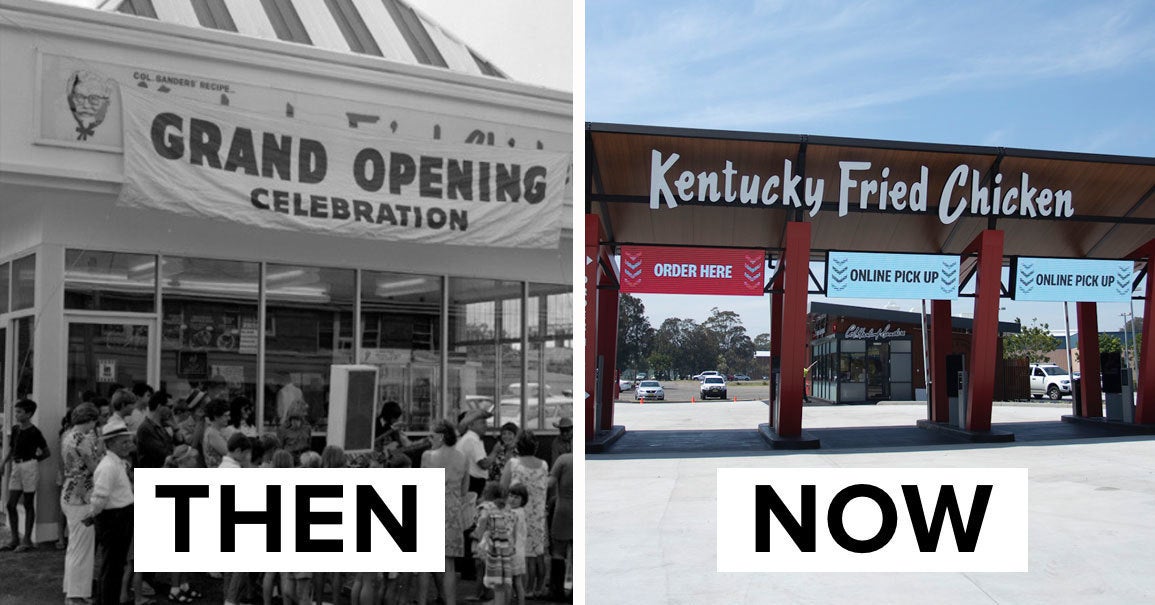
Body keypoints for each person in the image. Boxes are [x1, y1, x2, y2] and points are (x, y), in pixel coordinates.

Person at [418, 419, 469, 605]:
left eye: (431, 435)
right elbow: (465, 490)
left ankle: (422, 601)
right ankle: (451, 602)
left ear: (441, 437)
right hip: (453, 510)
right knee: (448, 563)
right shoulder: (462, 457)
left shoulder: (428, 456)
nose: (429, 439)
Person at [85, 422, 136, 605]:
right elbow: (99, 497)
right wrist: (93, 514)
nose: (128, 446)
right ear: (111, 444)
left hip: (120, 516)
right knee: (112, 566)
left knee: (114, 565)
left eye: (128, 442)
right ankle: (107, 600)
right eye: (123, 443)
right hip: (114, 519)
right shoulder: (108, 466)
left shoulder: (116, 463)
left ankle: (105, 599)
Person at [60, 402, 101, 605]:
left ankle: (74, 589)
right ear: (90, 420)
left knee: (75, 546)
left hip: (70, 493)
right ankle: (75, 596)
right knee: (82, 548)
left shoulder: (68, 435)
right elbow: (94, 467)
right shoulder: (83, 439)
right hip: (82, 497)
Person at [501, 430, 549, 598]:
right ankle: (536, 588)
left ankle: (521, 590)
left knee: (519, 552)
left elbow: (503, 487)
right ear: (535, 446)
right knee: (538, 553)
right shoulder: (543, 465)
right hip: (537, 514)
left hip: (516, 514)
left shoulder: (513, 464)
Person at [2, 398, 50, 552]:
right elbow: (11, 449)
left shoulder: (35, 432)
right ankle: (15, 539)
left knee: (28, 503)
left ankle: (27, 540)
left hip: (29, 466)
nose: (16, 414)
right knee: (10, 504)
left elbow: (46, 452)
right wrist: (3, 463)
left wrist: (34, 461)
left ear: (28, 414)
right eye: (16, 411)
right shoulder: (16, 429)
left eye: (19, 412)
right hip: (16, 466)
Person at [477, 484, 518, 605]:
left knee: (497, 582)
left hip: (494, 547)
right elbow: (514, 531)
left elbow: (483, 519)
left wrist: (479, 534)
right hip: (508, 548)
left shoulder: (487, 506)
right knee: (505, 579)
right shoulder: (510, 510)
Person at [548, 453, 574, 601]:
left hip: (563, 508)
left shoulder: (563, 459)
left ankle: (556, 591)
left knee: (558, 551)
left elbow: (550, 483)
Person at [456, 409, 493, 495]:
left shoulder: (469, 438)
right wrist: (495, 451)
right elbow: (484, 464)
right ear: (471, 425)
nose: (486, 426)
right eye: (482, 423)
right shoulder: (472, 439)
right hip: (473, 482)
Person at [135, 391, 174, 469]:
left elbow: (181, 443)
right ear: (159, 407)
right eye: (169, 407)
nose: (171, 411)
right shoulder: (146, 429)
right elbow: (164, 454)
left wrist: (175, 428)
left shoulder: (163, 426)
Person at [507, 483, 530, 605]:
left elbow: (510, 533)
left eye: (517, 497)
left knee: (510, 581)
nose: (512, 499)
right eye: (511, 496)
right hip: (520, 551)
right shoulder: (521, 512)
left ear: (523, 500)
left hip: (513, 551)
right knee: (517, 581)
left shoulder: (514, 514)